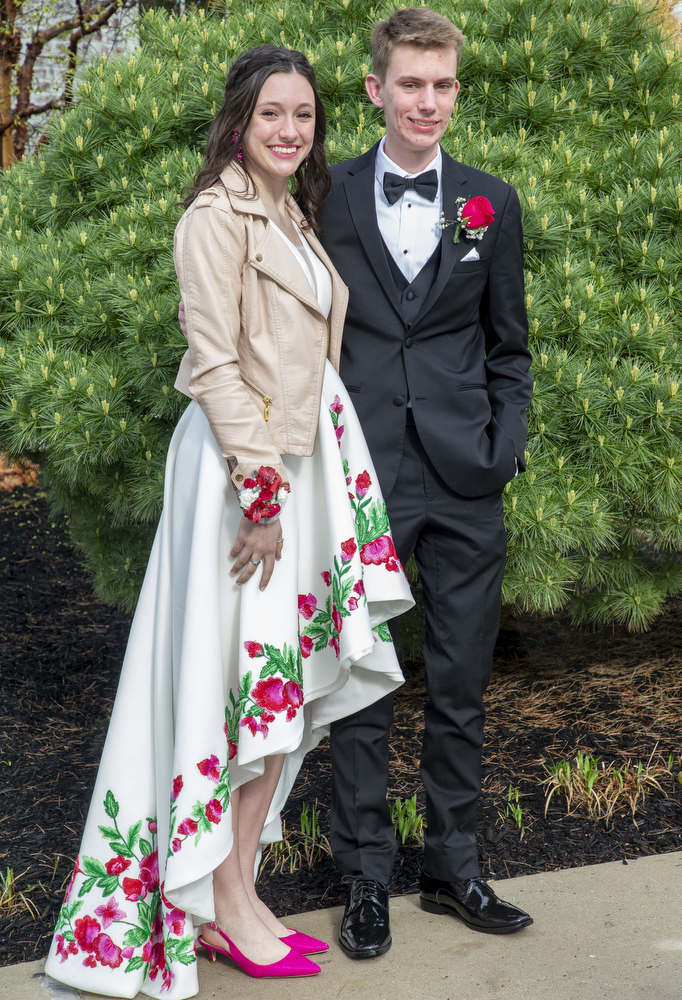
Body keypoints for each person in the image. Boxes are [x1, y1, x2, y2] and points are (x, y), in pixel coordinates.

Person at [44, 46, 412, 998]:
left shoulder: (287, 209)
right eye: (271, 116)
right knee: (248, 689)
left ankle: (234, 896)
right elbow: (213, 366)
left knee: (276, 701)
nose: (291, 131)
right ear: (237, 123)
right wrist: (260, 497)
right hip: (249, 479)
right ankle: (221, 905)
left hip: (304, 458)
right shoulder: (213, 217)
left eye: (303, 115)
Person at [317, 7, 535, 958]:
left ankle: (454, 868)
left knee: (460, 680)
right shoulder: (321, 193)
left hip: (464, 478)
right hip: (356, 474)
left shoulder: (491, 200)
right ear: (376, 90)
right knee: (365, 678)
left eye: (444, 84)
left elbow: (510, 347)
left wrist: (503, 446)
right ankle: (364, 878)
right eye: (412, 83)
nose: (430, 101)